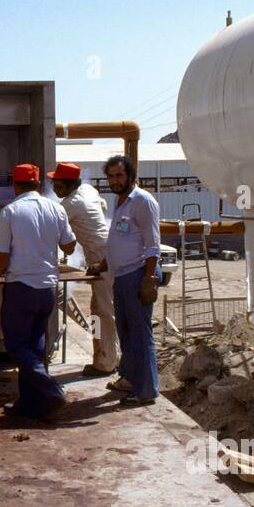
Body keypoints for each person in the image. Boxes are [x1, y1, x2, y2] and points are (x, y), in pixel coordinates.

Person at [0, 163, 78, 419]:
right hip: (48, 288)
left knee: (16, 345)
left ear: (15, 185)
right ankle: (30, 404)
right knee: (35, 347)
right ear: (38, 184)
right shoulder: (56, 209)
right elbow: (70, 247)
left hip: (21, 288)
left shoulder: (11, 211)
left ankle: (51, 391)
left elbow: (1, 256)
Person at [87, 153, 162, 404]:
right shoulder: (121, 202)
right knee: (126, 332)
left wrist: (149, 278)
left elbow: (152, 244)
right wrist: (103, 265)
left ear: (130, 175)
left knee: (140, 333)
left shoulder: (142, 201)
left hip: (139, 273)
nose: (115, 180)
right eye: (110, 176)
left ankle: (146, 390)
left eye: (119, 175)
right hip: (121, 275)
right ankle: (129, 378)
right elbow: (121, 240)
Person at [49, 162, 119, 377]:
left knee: (105, 312)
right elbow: (103, 207)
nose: (55, 190)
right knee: (98, 311)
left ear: (71, 185)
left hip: (103, 258)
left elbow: (52, 230)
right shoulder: (88, 190)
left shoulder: (70, 204)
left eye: (59, 186)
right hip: (103, 255)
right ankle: (104, 358)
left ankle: (108, 362)